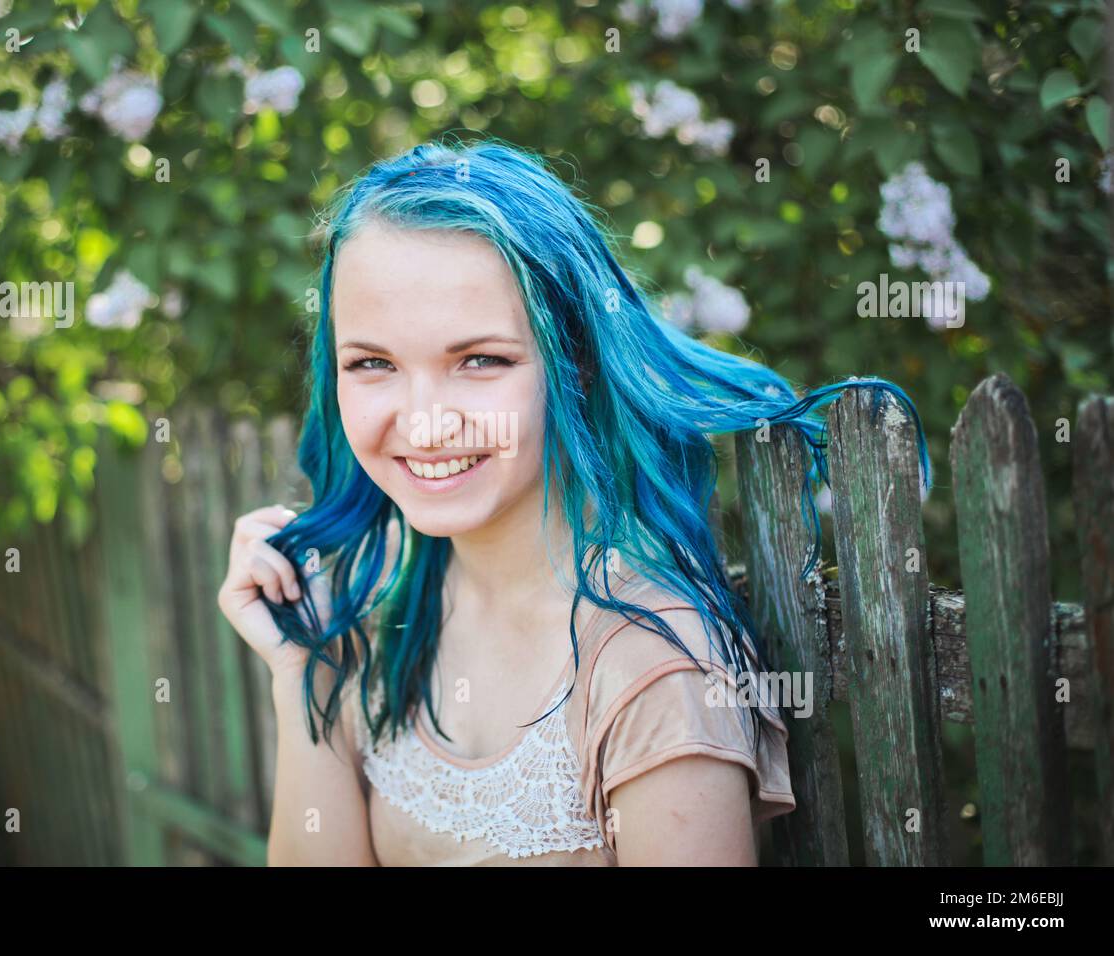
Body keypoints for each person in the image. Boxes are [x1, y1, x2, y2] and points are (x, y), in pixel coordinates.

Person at [217, 135, 930, 866]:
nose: (425, 420)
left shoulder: (652, 668)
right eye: (373, 363)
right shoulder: (384, 610)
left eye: (480, 361)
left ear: (577, 365)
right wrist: (304, 672)